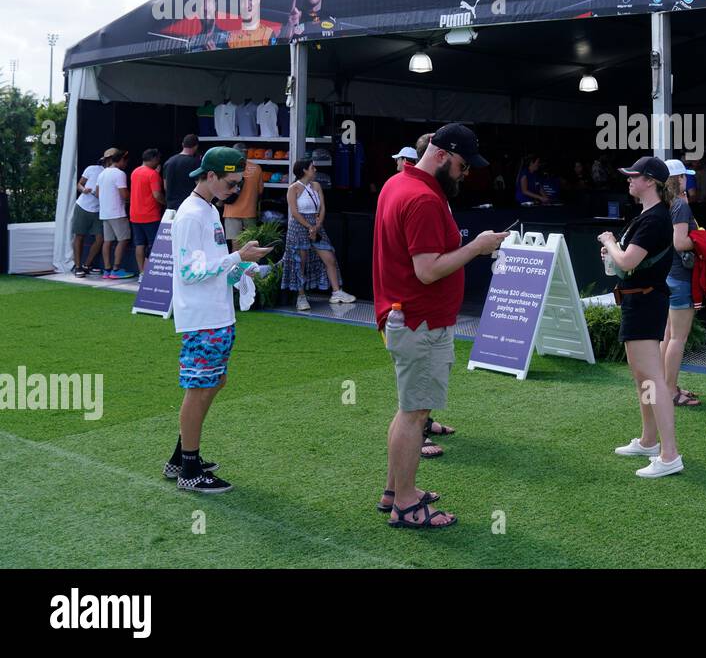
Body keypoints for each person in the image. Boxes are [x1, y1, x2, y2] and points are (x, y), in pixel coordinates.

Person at [373, 124, 504, 528]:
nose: (465, 175)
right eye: (464, 166)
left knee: (408, 410)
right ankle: (407, 504)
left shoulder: (398, 183)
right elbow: (427, 271)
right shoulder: (424, 198)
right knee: (414, 414)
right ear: (443, 154)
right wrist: (477, 247)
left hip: (407, 317)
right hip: (420, 321)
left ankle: (397, 491)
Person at [166, 146, 274, 493]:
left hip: (213, 314)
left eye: (239, 182)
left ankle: (182, 459)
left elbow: (211, 266)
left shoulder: (207, 210)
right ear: (209, 176)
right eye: (231, 183)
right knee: (200, 388)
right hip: (202, 316)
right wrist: (237, 257)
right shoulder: (193, 214)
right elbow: (188, 272)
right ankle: (189, 468)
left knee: (212, 383)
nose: (236, 189)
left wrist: (244, 266)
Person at [599, 156, 684, 478]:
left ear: (649, 180)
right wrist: (613, 252)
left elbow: (629, 260)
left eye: (633, 176)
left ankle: (669, 454)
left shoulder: (655, 219)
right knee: (642, 376)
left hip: (645, 301)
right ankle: (650, 441)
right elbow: (626, 261)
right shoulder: (649, 216)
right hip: (639, 300)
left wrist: (609, 242)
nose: (629, 180)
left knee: (651, 377)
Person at [285, 158, 356, 311]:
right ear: (304, 170)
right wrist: (309, 226)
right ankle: (301, 297)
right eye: (312, 167)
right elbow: (294, 212)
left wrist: (317, 226)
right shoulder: (293, 188)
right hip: (299, 226)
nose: (315, 169)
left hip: (316, 225)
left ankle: (337, 292)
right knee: (300, 262)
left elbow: (322, 207)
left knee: (329, 257)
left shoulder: (316, 186)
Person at [662, 159, 700, 407]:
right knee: (678, 338)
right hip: (680, 278)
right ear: (680, 179)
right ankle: (670, 392)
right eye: (685, 176)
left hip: (669, 276)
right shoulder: (680, 207)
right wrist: (704, 239)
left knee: (668, 336)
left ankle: (667, 387)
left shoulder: (666, 204)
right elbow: (680, 242)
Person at [96, 148, 133, 279]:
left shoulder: (102, 173)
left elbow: (97, 193)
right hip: (117, 212)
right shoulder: (119, 174)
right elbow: (124, 194)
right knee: (123, 239)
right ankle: (116, 269)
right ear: (121, 160)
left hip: (105, 213)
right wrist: (133, 199)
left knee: (108, 241)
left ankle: (107, 270)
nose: (126, 164)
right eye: (125, 161)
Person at [129, 149, 166, 274]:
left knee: (139, 244)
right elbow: (157, 195)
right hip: (150, 215)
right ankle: (151, 273)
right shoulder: (152, 174)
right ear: (153, 159)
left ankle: (141, 272)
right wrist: (166, 203)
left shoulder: (135, 172)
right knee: (153, 245)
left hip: (135, 214)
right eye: (158, 159)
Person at [222, 143, 265, 245]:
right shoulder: (257, 168)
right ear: (247, 153)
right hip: (250, 213)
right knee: (251, 247)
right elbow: (260, 191)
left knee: (236, 247)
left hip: (231, 213)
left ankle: (237, 262)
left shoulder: (227, 168)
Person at [71, 157, 105, 277]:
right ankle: (78, 266)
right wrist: (84, 190)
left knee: (100, 238)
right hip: (83, 206)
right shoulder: (91, 169)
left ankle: (87, 265)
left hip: (99, 210)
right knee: (79, 236)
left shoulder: (111, 173)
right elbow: (79, 184)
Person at [163, 135, 201, 211]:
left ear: (183, 144)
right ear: (196, 146)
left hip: (171, 208)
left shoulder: (169, 162)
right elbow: (199, 186)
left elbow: (165, 186)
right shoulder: (196, 163)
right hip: (189, 207)